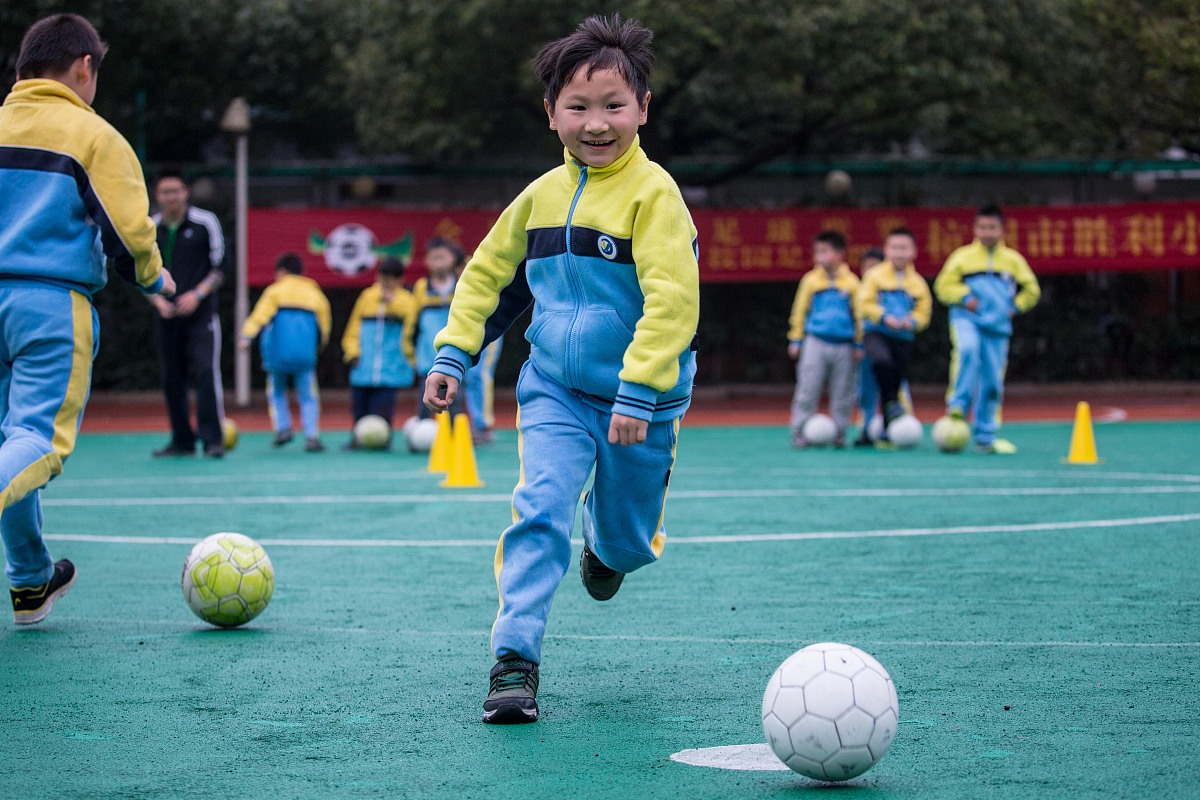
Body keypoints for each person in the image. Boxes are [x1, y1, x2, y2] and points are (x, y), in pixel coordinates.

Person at [423, 14, 699, 724]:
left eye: (614, 105)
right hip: (555, 390)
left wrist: (639, 391)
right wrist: (456, 352)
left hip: (643, 403)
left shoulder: (654, 195)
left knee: (630, 544)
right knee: (539, 508)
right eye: (578, 106)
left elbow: (672, 302)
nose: (597, 122)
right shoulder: (539, 198)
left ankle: (607, 549)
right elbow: (491, 277)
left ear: (642, 107)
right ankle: (514, 660)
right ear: (551, 114)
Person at [0, 13, 175, 624]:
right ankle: (27, 577)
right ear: (84, 68)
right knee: (36, 441)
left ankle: (29, 580)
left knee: (10, 443)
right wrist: (154, 275)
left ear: (21, 69)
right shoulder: (92, 135)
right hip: (49, 304)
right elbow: (128, 229)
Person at [933, 205, 1040, 454]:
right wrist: (964, 297)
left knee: (992, 382)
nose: (987, 232)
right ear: (974, 229)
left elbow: (1032, 290)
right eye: (982, 227)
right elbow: (942, 286)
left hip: (998, 327)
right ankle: (958, 406)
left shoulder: (1013, 261)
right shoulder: (962, 257)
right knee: (967, 351)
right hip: (966, 320)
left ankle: (985, 436)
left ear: (1002, 230)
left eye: (992, 227)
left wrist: (1014, 307)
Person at [148, 169, 228, 458]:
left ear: (186, 193)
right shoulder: (149, 228)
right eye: (165, 192)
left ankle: (212, 440)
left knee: (206, 372)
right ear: (157, 196)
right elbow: (139, 271)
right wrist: (157, 301)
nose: (171, 197)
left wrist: (197, 295)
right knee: (172, 377)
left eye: (176, 191)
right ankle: (181, 440)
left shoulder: (206, 223)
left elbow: (221, 266)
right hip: (166, 316)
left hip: (202, 315)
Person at [238, 252, 331, 453]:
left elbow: (260, 316)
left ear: (281, 272)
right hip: (305, 356)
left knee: (277, 392)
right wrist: (318, 347)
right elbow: (325, 326)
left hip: (277, 355)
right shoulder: (314, 293)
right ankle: (312, 435)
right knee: (308, 396)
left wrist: (246, 337)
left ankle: (283, 428)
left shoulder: (275, 291)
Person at [856, 227, 931, 448]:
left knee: (895, 380)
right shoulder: (874, 276)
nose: (899, 253)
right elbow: (864, 304)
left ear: (914, 251)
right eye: (894, 248)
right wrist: (883, 317)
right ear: (886, 250)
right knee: (880, 364)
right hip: (876, 333)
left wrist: (913, 321)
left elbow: (924, 311)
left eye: (904, 248)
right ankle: (867, 428)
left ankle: (887, 432)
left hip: (903, 338)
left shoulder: (917, 283)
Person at [787, 231, 860, 448]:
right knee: (807, 388)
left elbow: (859, 315)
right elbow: (800, 311)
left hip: (844, 346)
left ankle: (839, 432)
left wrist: (858, 343)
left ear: (839, 255)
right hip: (815, 342)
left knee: (843, 392)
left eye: (824, 251)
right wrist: (796, 339)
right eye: (817, 251)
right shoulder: (810, 280)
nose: (818, 256)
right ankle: (799, 431)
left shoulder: (852, 283)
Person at [341, 257, 416, 448]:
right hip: (363, 366)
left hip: (389, 368)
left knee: (382, 408)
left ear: (400, 280)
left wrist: (393, 302)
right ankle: (357, 439)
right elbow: (353, 328)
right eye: (383, 278)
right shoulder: (367, 296)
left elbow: (410, 322)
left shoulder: (406, 300)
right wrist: (352, 352)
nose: (385, 283)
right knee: (359, 407)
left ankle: (383, 439)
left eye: (391, 279)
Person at [406, 238, 463, 420]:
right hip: (428, 361)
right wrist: (412, 354)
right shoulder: (421, 288)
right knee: (425, 405)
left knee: (455, 404)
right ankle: (421, 436)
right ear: (426, 261)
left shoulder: (463, 284)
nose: (438, 263)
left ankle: (457, 437)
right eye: (433, 258)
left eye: (442, 257)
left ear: (453, 259)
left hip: (456, 358)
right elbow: (411, 325)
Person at [465, 337, 503, 445]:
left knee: (481, 374)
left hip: (489, 327)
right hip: (472, 328)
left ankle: (483, 424)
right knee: (471, 376)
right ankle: (477, 422)